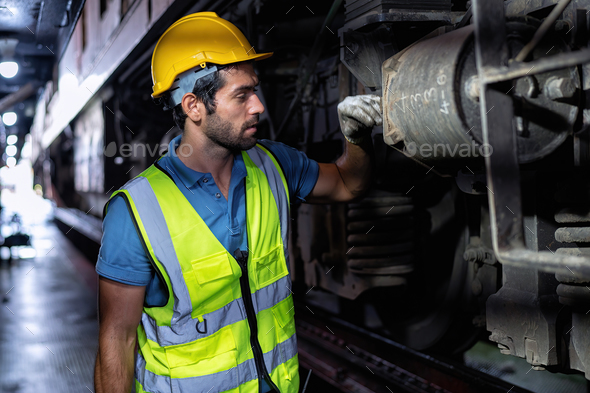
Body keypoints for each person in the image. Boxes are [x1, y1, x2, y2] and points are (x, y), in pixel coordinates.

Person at [94, 11, 382, 393]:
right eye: (241, 95)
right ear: (194, 106)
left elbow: (349, 183)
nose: (259, 105)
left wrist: (357, 138)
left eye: (255, 90)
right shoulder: (134, 214)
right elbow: (117, 342)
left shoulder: (275, 163)